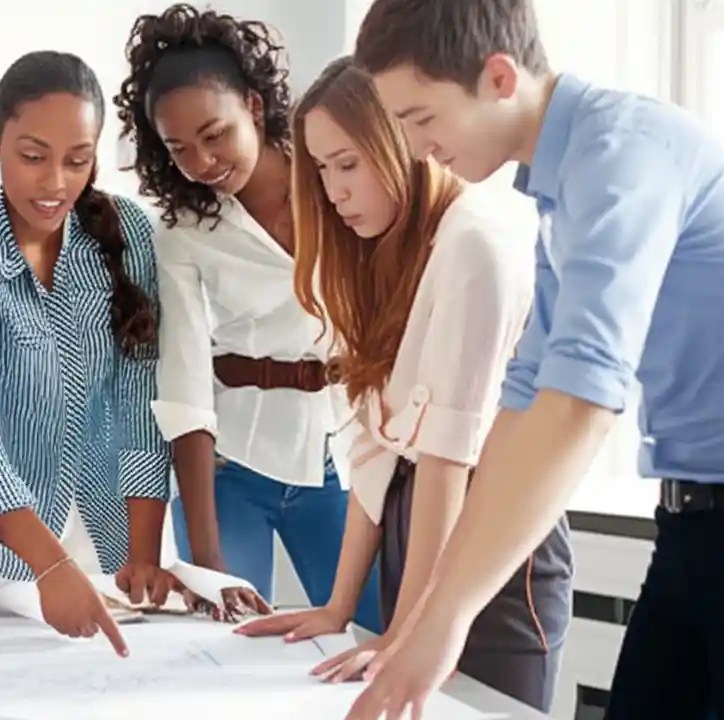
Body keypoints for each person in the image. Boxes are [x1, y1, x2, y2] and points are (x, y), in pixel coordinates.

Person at [340, 1, 724, 719]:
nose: (412, 147)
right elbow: (525, 398)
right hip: (696, 522)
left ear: (499, 78)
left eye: (422, 118)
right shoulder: (559, 189)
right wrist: (434, 610)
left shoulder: (622, 153)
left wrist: (445, 622)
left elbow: (581, 404)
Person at [235, 58, 571, 712]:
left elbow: (448, 460)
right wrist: (337, 608)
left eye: (348, 164)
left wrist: (406, 634)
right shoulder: (383, 255)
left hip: (492, 549)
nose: (333, 191)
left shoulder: (473, 244)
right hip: (415, 535)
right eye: (322, 169)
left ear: (399, 144)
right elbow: (377, 450)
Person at [114, 3, 380, 628]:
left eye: (215, 134)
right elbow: (182, 389)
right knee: (227, 647)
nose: (202, 162)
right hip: (233, 467)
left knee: (369, 636)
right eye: (178, 148)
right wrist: (207, 564)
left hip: (344, 455)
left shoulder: (336, 179)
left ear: (254, 109)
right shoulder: (181, 231)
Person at [0, 50, 174, 657]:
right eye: (32, 157)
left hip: (119, 532)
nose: (56, 182)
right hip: (5, 548)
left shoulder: (127, 232)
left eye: (77, 160)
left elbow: (140, 400)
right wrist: (52, 571)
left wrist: (144, 554)